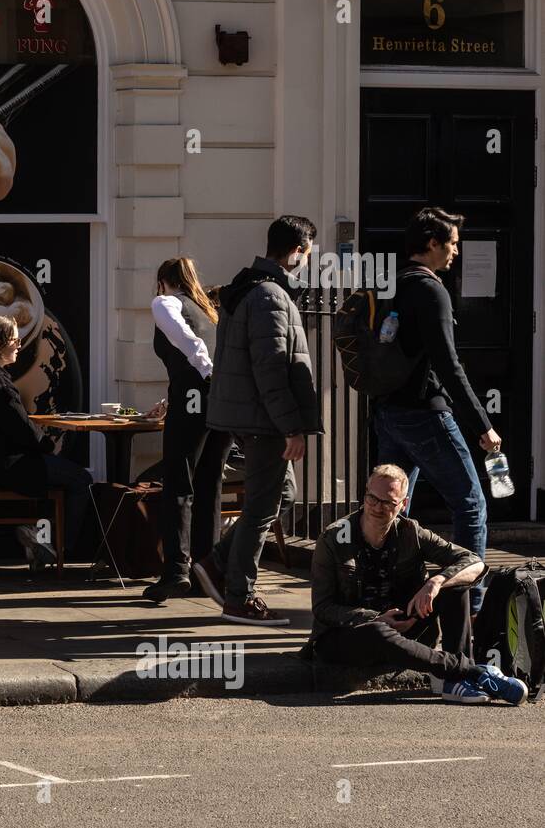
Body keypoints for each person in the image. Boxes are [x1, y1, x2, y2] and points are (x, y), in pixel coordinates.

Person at [305, 465, 526, 705]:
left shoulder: (411, 532)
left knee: (455, 585)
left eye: (388, 502)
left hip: (403, 622)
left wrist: (436, 581)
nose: (377, 508)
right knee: (378, 631)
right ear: (365, 493)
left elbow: (474, 563)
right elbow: (323, 608)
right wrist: (374, 617)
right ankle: (472, 672)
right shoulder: (334, 538)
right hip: (347, 636)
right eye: (372, 498)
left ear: (403, 503)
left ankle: (453, 684)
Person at [193, 215, 322, 626]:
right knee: (265, 505)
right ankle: (239, 597)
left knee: (282, 496)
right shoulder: (269, 295)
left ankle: (217, 563)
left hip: (247, 416)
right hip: (264, 421)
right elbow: (272, 369)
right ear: (296, 250)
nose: (307, 262)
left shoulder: (247, 286)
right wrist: (291, 427)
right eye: (308, 253)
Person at [373, 207, 498, 615]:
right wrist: (482, 424)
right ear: (432, 244)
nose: (456, 253)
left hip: (390, 411)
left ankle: (385, 593)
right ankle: (469, 606)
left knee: (388, 506)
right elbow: (448, 363)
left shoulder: (397, 286)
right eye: (453, 244)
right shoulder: (431, 290)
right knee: (471, 504)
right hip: (425, 414)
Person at [0, 314, 92, 568]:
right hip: (9, 466)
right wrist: (49, 446)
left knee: (63, 472)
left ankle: (40, 537)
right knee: (82, 480)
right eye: (16, 340)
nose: (19, 346)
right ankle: (57, 547)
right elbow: (24, 430)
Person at [143, 259, 231, 603]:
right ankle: (204, 570)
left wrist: (205, 371)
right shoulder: (210, 310)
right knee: (211, 484)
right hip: (218, 401)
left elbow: (188, 342)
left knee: (179, 483)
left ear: (163, 280)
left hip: (194, 399)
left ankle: (176, 570)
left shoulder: (165, 302)